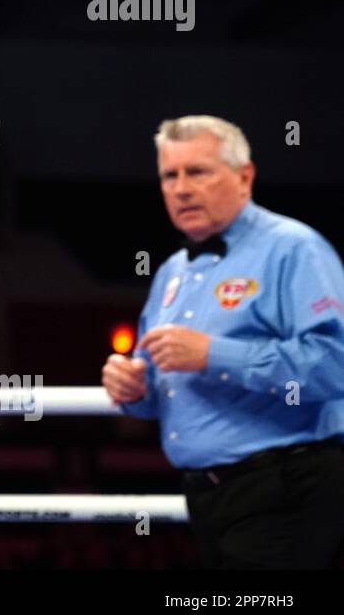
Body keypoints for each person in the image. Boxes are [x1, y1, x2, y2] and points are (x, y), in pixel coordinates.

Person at [102, 115, 344, 568]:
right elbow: (158, 390)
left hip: (287, 483)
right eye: (169, 175)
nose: (181, 188)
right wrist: (132, 388)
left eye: (198, 172)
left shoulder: (294, 248)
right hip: (208, 496)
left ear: (244, 176)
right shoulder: (173, 271)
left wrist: (214, 354)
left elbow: (335, 365)